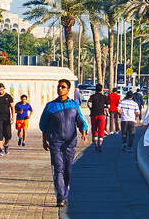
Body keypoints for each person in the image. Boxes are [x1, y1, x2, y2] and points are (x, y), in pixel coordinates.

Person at [40, 78, 88, 208]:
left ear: (68, 89)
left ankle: (65, 193)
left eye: (62, 87)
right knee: (58, 169)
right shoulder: (50, 106)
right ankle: (61, 197)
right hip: (55, 143)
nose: (60, 89)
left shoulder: (74, 105)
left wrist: (84, 131)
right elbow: (43, 124)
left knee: (68, 170)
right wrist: (44, 140)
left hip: (70, 143)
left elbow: (81, 121)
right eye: (59, 86)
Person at [0, 83, 15, 155]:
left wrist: (13, 117)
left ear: (4, 89)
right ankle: (0, 149)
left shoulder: (8, 97)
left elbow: (12, 107)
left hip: (7, 118)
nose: (0, 91)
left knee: (8, 135)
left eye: (1, 90)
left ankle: (6, 145)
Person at [88, 85, 109, 152]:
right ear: (101, 89)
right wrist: (105, 108)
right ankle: (100, 144)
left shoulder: (92, 96)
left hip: (94, 115)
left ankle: (96, 145)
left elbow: (88, 103)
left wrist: (91, 109)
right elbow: (108, 105)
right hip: (101, 115)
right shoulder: (104, 97)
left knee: (94, 129)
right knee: (101, 130)